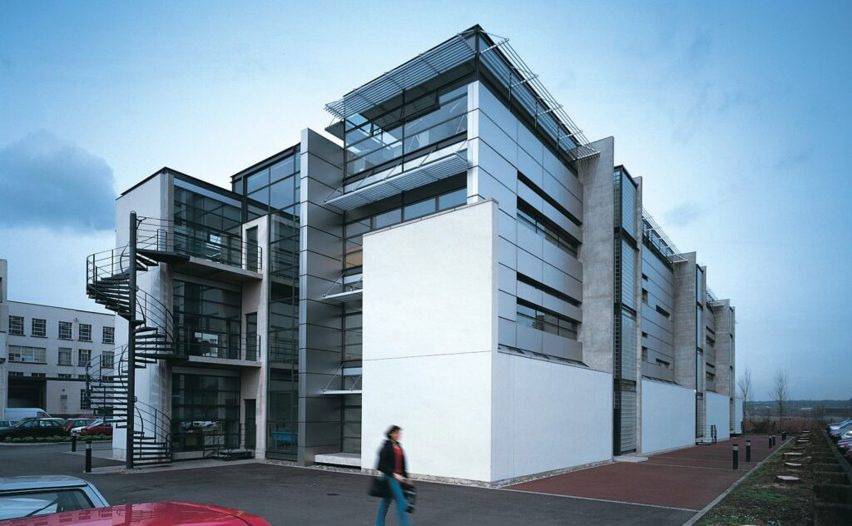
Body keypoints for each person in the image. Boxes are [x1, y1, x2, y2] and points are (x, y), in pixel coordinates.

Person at [375, 425, 410, 526]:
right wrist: (393, 474)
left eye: (399, 433)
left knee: (385, 503)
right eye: (396, 433)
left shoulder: (399, 446)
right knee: (402, 503)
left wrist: (406, 477)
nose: (399, 435)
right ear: (391, 434)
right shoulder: (386, 447)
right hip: (390, 478)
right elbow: (380, 465)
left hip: (399, 479)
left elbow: (403, 464)